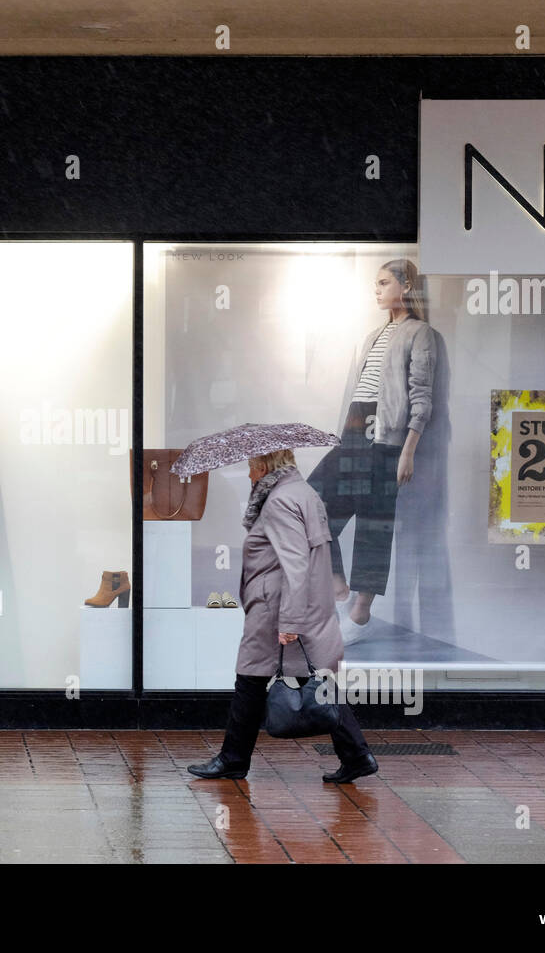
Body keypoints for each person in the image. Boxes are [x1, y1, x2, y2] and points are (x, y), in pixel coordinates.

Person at [187, 449, 377, 783]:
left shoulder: (278, 502)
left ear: (264, 465)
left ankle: (233, 759)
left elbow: (295, 564)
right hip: (302, 605)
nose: (249, 475)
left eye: (251, 468)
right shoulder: (304, 493)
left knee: (250, 680)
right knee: (312, 682)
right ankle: (357, 755)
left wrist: (289, 622)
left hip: (276, 608)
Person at [307, 258, 435, 629]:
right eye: (375, 284)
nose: (376, 290)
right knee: (313, 501)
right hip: (354, 425)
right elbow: (357, 389)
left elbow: (421, 397)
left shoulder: (419, 333)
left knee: (374, 520)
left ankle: (362, 606)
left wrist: (407, 450)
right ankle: (336, 582)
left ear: (406, 286)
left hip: (386, 432)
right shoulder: (371, 336)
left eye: (383, 283)